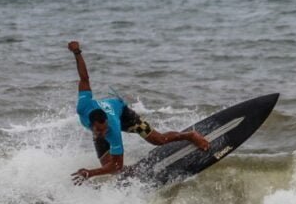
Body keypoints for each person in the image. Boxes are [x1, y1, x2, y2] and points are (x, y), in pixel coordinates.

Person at [68, 40, 210, 184]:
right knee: (110, 168)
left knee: (158, 140)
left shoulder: (113, 129)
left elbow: (117, 164)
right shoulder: (83, 107)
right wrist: (77, 53)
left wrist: (90, 173)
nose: (103, 134)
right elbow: (84, 78)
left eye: (104, 130)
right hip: (106, 116)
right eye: (99, 130)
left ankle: (190, 135)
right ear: (91, 124)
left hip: (124, 115)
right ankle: (134, 172)